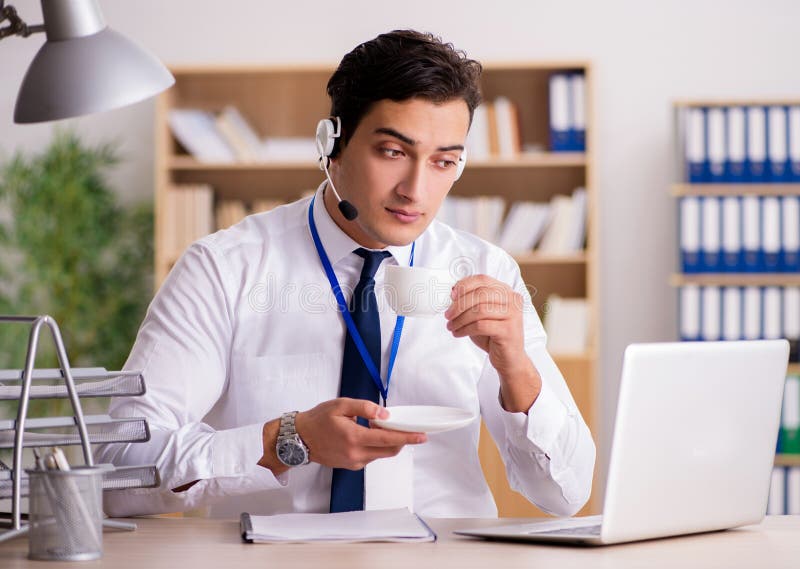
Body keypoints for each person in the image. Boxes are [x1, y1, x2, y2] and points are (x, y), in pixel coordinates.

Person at [97, 29, 595, 518]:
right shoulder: (223, 269)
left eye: (444, 162)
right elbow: (116, 473)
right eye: (394, 153)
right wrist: (287, 440)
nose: (416, 191)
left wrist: (518, 370)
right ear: (330, 142)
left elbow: (565, 496)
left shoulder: (488, 271)